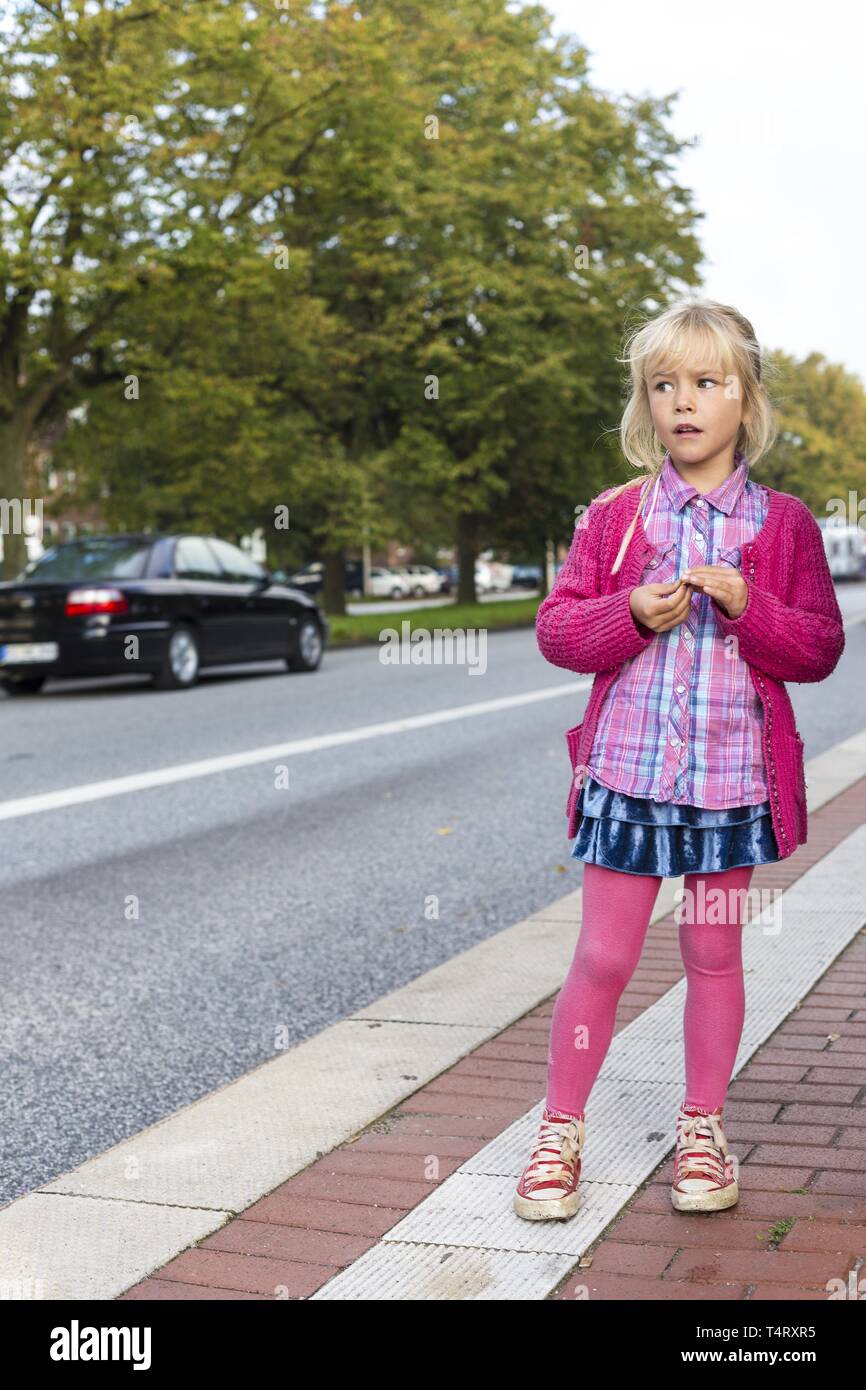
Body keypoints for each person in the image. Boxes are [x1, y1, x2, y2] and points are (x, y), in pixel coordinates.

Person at [515, 298, 844, 1221]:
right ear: (645, 404)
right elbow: (557, 630)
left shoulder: (783, 528)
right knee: (605, 956)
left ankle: (702, 1127)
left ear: (747, 403)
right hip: (625, 776)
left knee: (713, 951)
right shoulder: (615, 518)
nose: (684, 402)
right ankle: (560, 1129)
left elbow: (816, 647)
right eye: (665, 386)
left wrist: (750, 607)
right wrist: (627, 614)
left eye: (706, 383)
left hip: (730, 786)